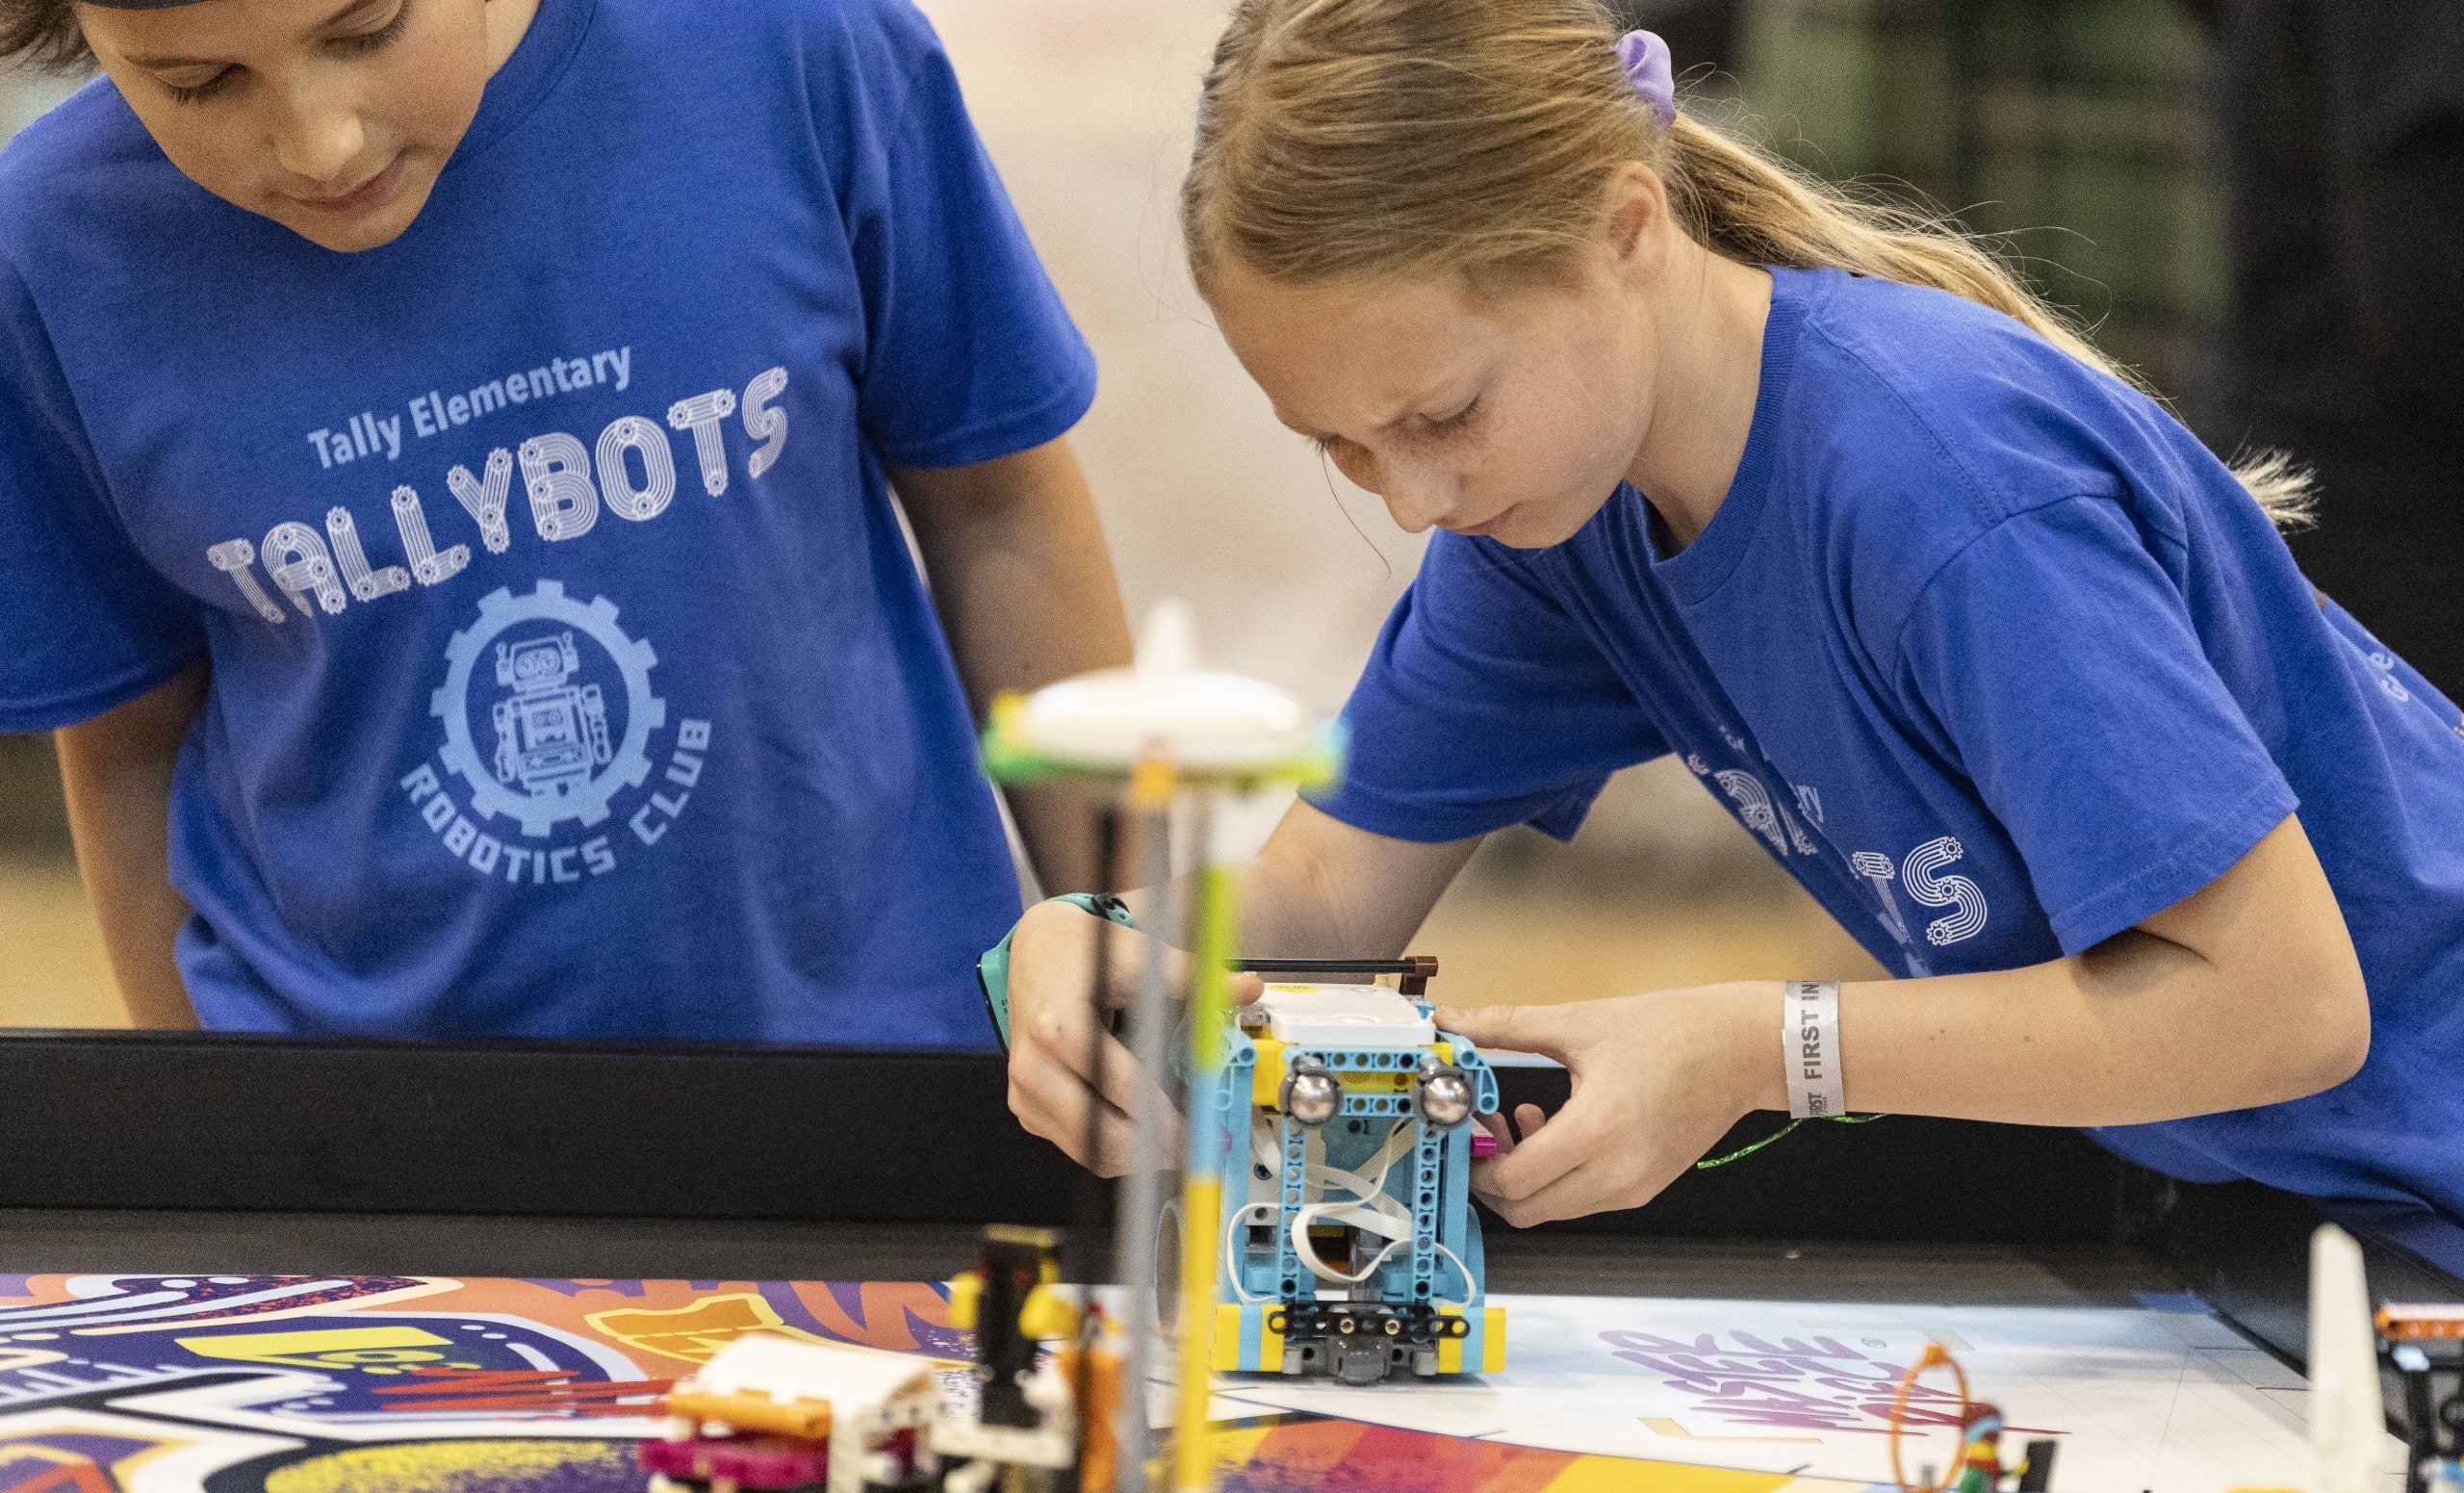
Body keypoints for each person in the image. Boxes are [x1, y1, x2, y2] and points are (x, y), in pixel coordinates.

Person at [994, 0, 2464, 1230]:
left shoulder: (1940, 492)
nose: (1411, 499)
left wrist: (1768, 1048)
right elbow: (1322, 895)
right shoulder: (1558, 512)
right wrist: (1109, 933)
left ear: (1626, 227)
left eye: (1443, 412)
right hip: (2293, 1222)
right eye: (1341, 443)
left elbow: (2283, 1000)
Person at [0, 0, 1129, 1042]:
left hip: (872, 1055)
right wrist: (211, 1146)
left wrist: (1118, 947)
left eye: (368, 28)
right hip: (350, 1126)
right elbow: (128, 740)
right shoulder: (52, 250)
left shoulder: (791, 45)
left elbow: (999, 510)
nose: (320, 143)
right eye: (200, 85)